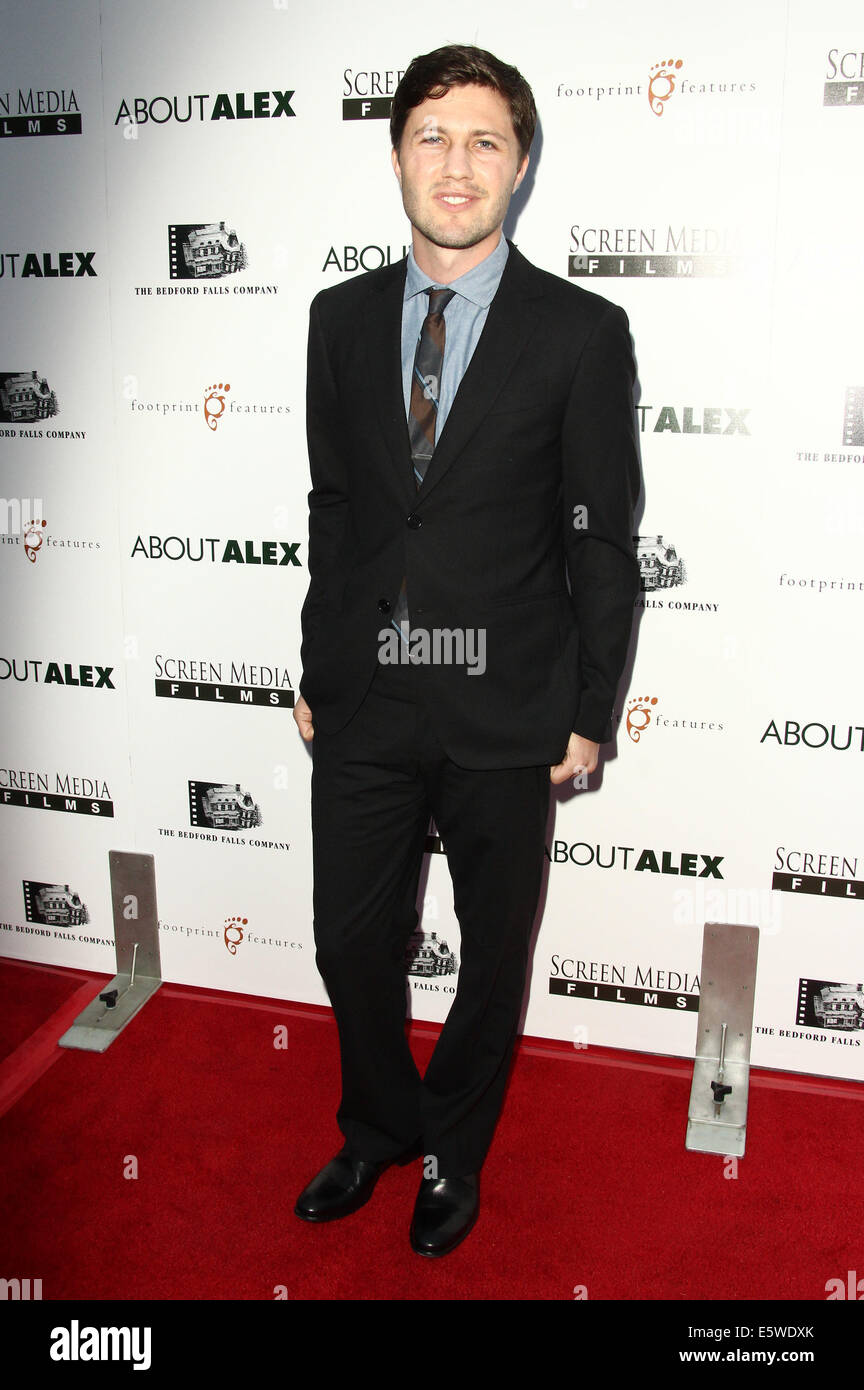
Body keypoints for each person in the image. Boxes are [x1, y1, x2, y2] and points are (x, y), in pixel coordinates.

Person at [292, 44, 640, 1257]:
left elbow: (602, 537)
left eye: (485, 140)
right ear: (396, 155)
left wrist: (591, 707)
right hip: (369, 698)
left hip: (509, 704)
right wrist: (317, 661)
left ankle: (451, 1151)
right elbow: (337, 507)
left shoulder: (584, 332)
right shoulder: (337, 321)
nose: (458, 162)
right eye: (434, 136)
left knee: (491, 960)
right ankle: (380, 1125)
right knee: (349, 940)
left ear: (522, 166)